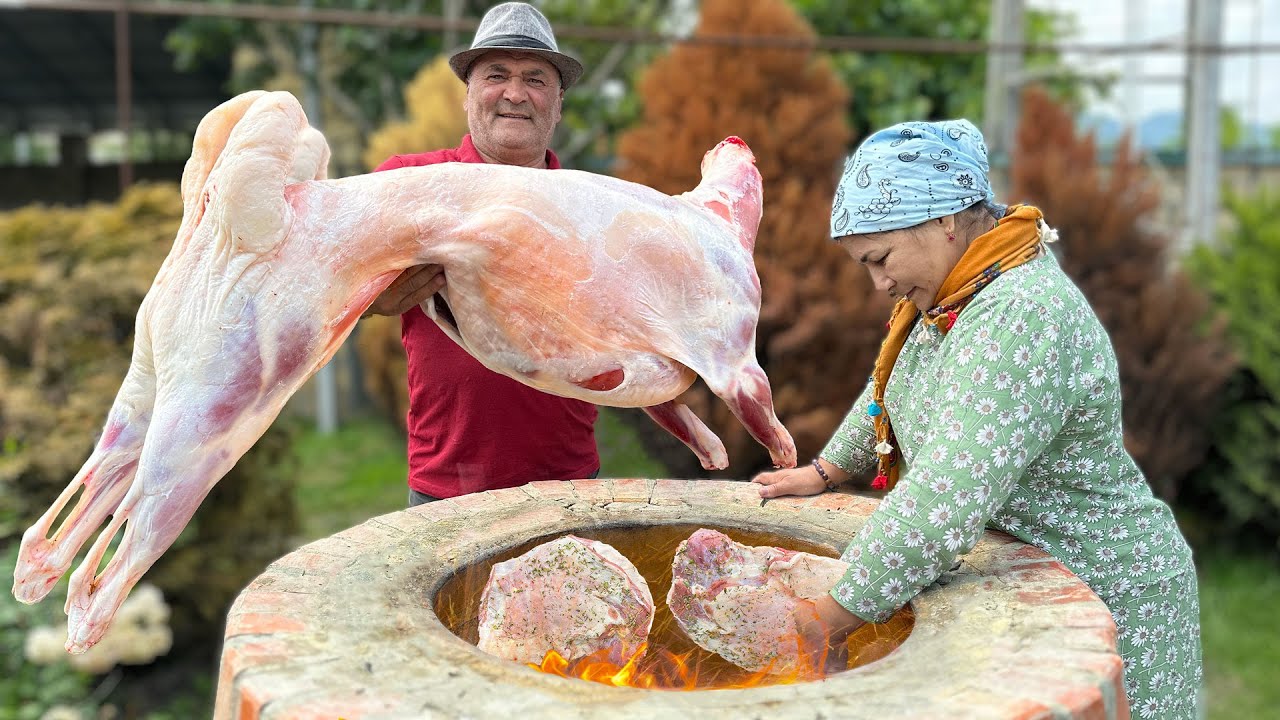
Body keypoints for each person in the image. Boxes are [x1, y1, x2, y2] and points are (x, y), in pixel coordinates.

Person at [750, 120, 1202, 718]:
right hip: (1040, 587)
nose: (878, 282)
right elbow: (894, 387)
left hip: (1109, 598)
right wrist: (828, 470)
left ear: (943, 219)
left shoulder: (1020, 313)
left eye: (881, 258)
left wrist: (826, 619)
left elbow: (947, 494)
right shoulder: (955, 297)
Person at [362, 2, 598, 506]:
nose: (515, 93)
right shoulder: (411, 181)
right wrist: (371, 297)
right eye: (497, 74)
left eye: (536, 79)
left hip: (570, 486)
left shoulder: (593, 207)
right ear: (468, 94)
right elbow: (330, 277)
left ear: (558, 103)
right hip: (446, 485)